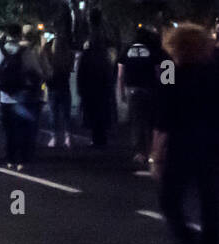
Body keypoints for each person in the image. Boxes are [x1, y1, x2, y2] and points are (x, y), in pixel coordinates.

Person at [152, 23, 219, 244]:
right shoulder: (214, 71)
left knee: (170, 200)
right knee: (210, 204)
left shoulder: (170, 71)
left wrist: (156, 152)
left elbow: (164, 113)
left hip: (181, 145)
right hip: (212, 144)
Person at [0, 25, 46, 169]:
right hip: (23, 95)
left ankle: (10, 158)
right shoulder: (26, 52)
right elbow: (37, 72)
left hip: (5, 96)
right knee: (22, 128)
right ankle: (22, 159)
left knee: (9, 130)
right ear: (19, 35)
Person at [120, 27, 164, 167]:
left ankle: (140, 153)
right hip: (149, 89)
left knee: (137, 122)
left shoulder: (127, 50)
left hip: (133, 89)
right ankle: (151, 151)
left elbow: (121, 74)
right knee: (150, 121)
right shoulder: (153, 50)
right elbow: (158, 72)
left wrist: (121, 92)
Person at [76, 15, 117, 148]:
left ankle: (96, 138)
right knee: (101, 112)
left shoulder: (87, 55)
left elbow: (81, 73)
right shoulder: (104, 55)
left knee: (93, 113)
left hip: (90, 87)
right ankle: (101, 137)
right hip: (102, 87)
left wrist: (80, 89)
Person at [40, 20, 76, 149]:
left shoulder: (48, 49)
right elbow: (71, 67)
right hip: (64, 83)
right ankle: (68, 138)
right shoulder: (67, 51)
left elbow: (44, 65)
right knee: (66, 113)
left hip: (52, 84)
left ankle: (54, 137)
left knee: (53, 113)